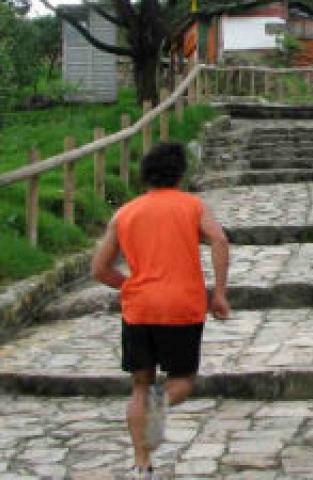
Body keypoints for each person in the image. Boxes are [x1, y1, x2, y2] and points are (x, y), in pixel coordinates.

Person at [91, 141, 231, 480]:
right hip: (182, 305)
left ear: (145, 175)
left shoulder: (125, 212)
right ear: (180, 174)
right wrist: (220, 294)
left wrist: (130, 286)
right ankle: (157, 412)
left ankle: (142, 465)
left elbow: (99, 269)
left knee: (140, 385)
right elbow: (220, 240)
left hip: (139, 308)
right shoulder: (193, 206)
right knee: (181, 381)